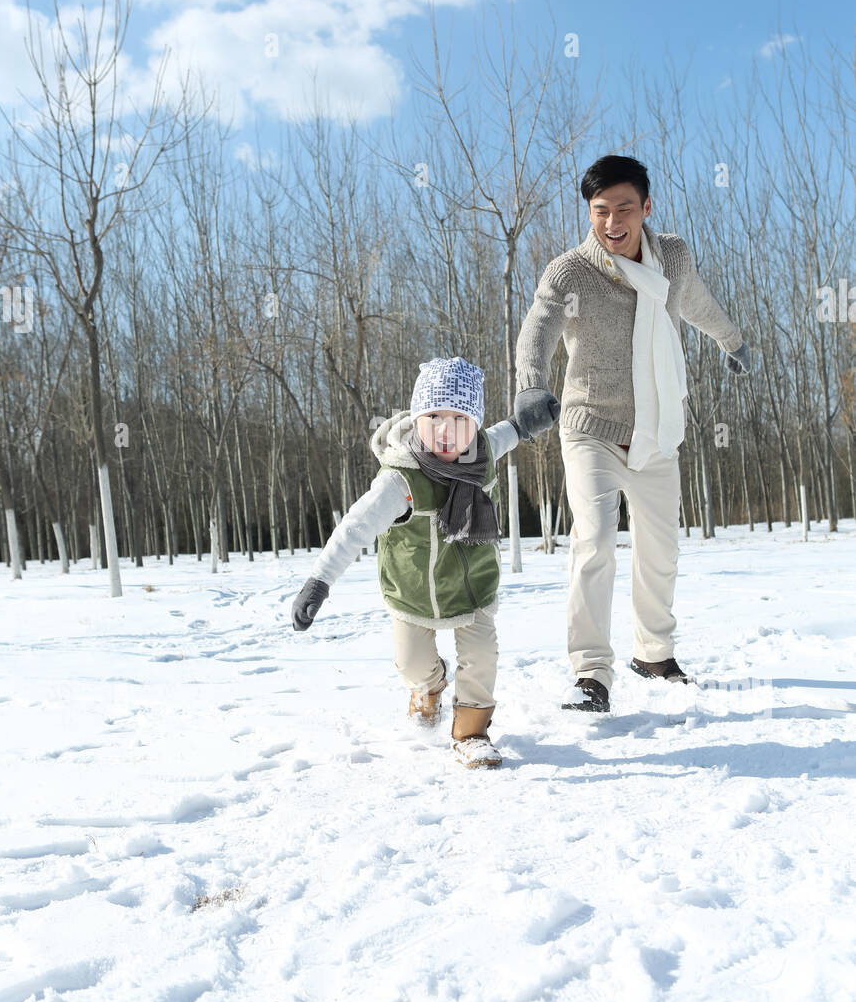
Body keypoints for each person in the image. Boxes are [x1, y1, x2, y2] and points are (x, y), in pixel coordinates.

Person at [512, 154, 752, 714]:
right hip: (590, 428)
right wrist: (530, 383)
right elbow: (539, 325)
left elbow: (695, 305)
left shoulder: (671, 258)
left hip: (656, 430)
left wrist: (731, 340)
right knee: (594, 539)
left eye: (625, 209)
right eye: (601, 212)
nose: (613, 222)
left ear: (646, 208)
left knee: (661, 550)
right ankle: (591, 672)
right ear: (588, 214)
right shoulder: (570, 272)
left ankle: (654, 654)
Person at [290, 356, 545, 767]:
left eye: (461, 419)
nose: (447, 431)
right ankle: (430, 687)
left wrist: (526, 422)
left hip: (473, 587)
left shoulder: (481, 452)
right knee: (413, 665)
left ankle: (472, 733)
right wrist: (319, 582)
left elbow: (505, 433)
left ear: (474, 424)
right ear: (417, 417)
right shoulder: (400, 479)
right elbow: (355, 527)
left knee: (481, 656)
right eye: (435, 417)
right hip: (414, 594)